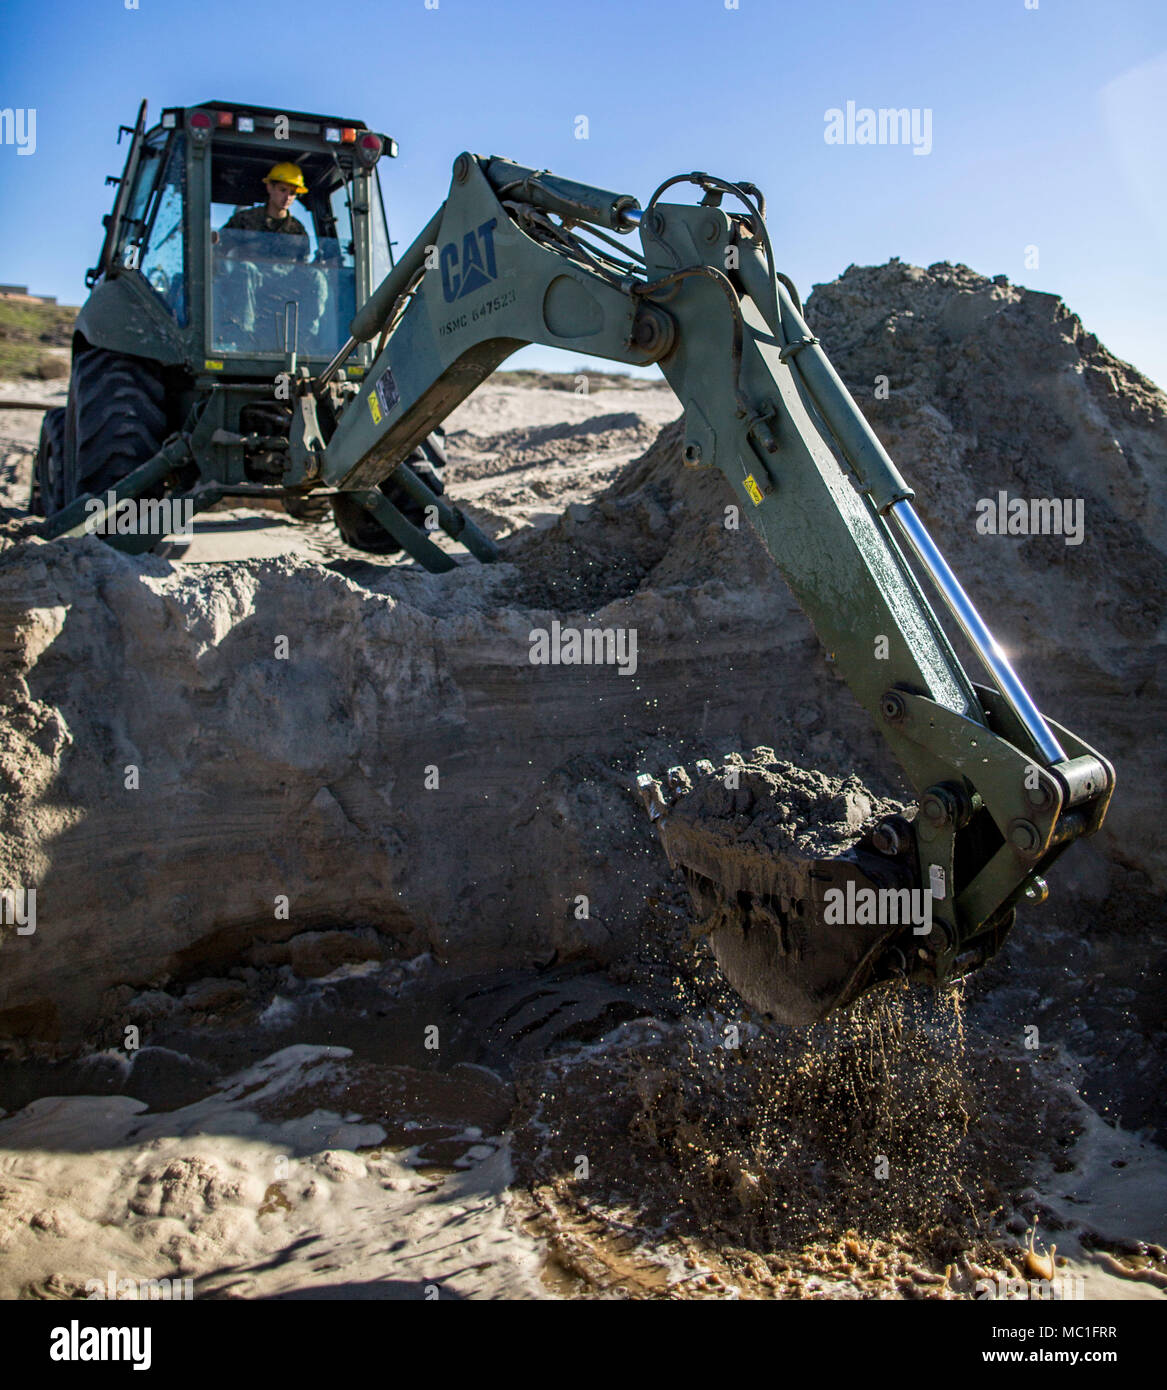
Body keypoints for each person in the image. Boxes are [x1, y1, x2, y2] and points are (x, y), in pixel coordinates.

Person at [214, 162, 326, 347]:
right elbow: (220, 250)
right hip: (250, 283)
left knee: (317, 277)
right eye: (283, 190)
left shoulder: (298, 231)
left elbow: (302, 266)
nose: (287, 197)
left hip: (284, 287)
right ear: (269, 187)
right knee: (246, 269)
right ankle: (244, 337)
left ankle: (304, 340)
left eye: (292, 193)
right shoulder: (244, 220)